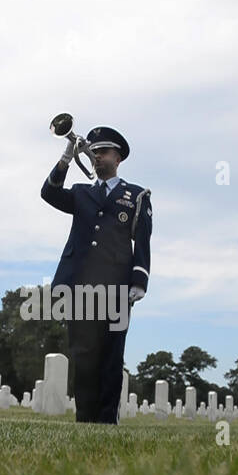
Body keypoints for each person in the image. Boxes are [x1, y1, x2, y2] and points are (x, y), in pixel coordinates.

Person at [40, 125, 152, 423]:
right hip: (80, 286)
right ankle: (85, 420)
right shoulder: (81, 193)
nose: (96, 157)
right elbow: (48, 193)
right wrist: (66, 158)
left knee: (111, 356)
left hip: (116, 287)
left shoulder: (136, 195)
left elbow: (142, 239)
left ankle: (105, 421)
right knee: (84, 355)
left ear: (118, 157)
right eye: (94, 152)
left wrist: (139, 280)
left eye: (102, 152)